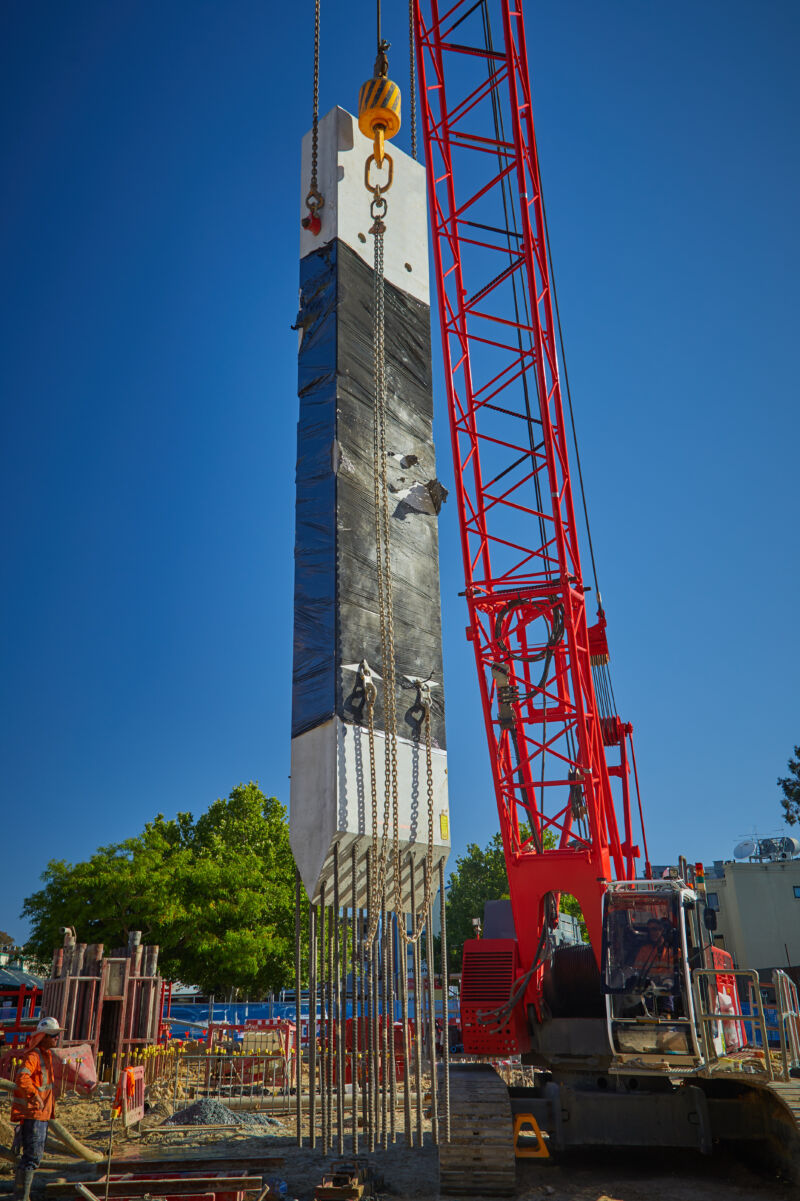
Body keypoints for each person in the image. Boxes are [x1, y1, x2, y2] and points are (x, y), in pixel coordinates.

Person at [11, 1016, 63, 1201]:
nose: (57, 1038)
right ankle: (22, 1198)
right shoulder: (33, 1056)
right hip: (33, 1115)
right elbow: (22, 1078)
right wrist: (34, 1096)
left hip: (41, 1115)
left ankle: (22, 1196)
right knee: (31, 1158)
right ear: (43, 1037)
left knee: (33, 1158)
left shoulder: (46, 1055)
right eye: (54, 1035)